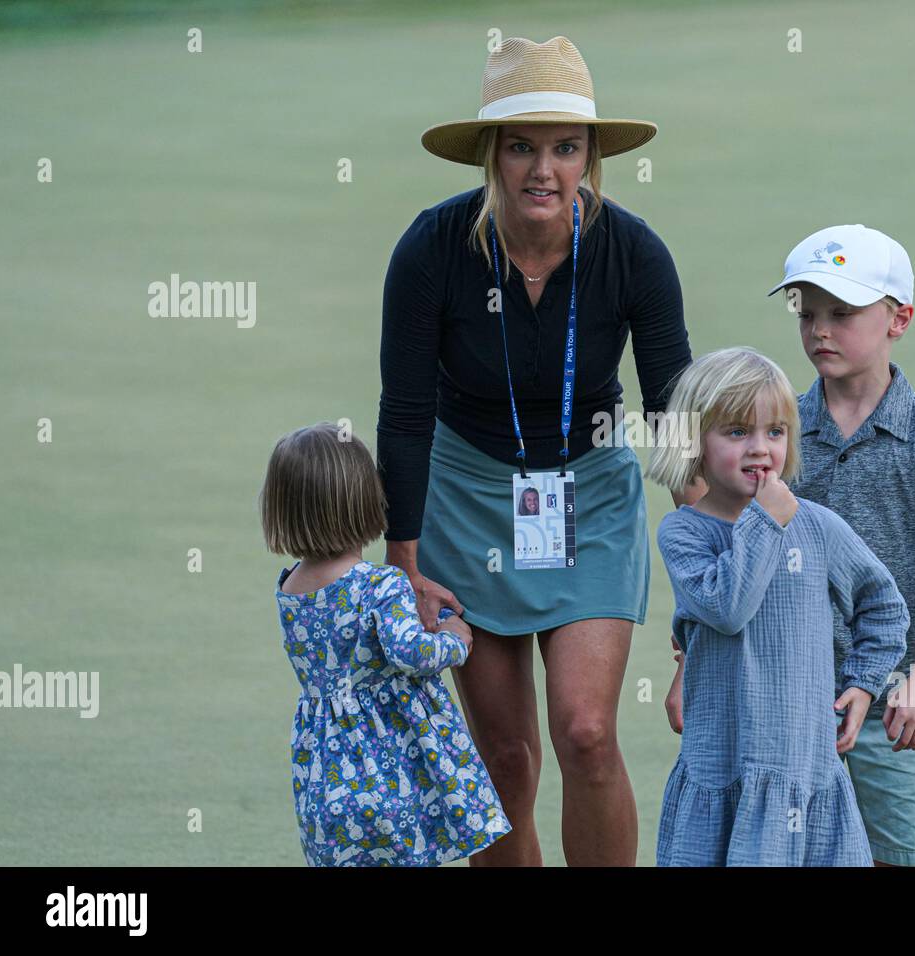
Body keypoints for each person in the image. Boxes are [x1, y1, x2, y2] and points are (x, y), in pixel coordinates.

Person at [377, 36, 691, 865]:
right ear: (490, 154)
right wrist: (401, 563)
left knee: (587, 733)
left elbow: (674, 418)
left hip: (589, 494)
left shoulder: (636, 254)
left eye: (565, 147)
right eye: (521, 146)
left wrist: (711, 555)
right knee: (505, 759)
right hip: (465, 496)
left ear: (591, 154)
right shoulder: (431, 250)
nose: (544, 170)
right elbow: (405, 412)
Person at [667, 225, 915, 866]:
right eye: (806, 312)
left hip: (892, 705)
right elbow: (722, 560)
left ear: (898, 319)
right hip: (777, 705)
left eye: (842, 314)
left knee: (906, 856)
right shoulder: (773, 428)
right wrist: (687, 667)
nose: (820, 329)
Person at [645, 348, 909, 866]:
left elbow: (884, 606)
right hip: (720, 766)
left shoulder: (815, 525)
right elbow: (726, 606)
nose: (760, 449)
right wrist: (764, 521)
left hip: (802, 766)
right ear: (694, 442)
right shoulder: (684, 533)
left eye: (775, 432)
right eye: (737, 432)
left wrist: (861, 684)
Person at [260, 422, 510, 866]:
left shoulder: (289, 589)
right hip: (388, 765)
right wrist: (455, 641)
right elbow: (410, 652)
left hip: (324, 769)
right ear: (363, 502)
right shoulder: (380, 584)